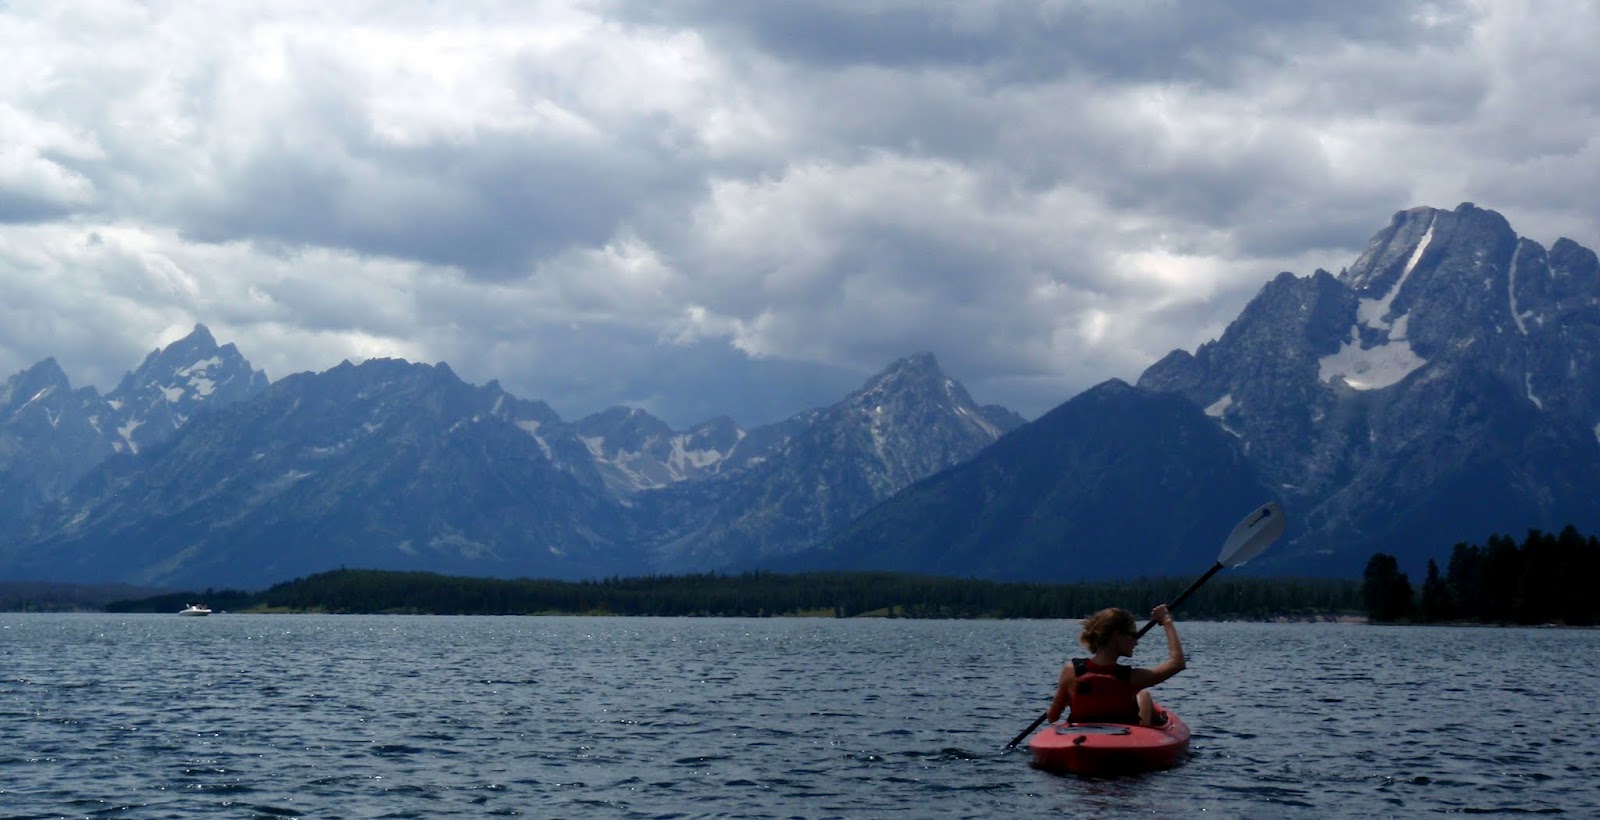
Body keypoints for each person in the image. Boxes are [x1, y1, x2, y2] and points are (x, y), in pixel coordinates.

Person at [1045, 604, 1185, 726]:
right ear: (1117, 636)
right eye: (1132, 635)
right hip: (1121, 744)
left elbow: (1052, 717)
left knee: (1143, 695)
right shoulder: (1132, 678)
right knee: (1144, 695)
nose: (1136, 642)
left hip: (1083, 740)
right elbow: (1177, 663)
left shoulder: (1071, 671)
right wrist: (1166, 621)